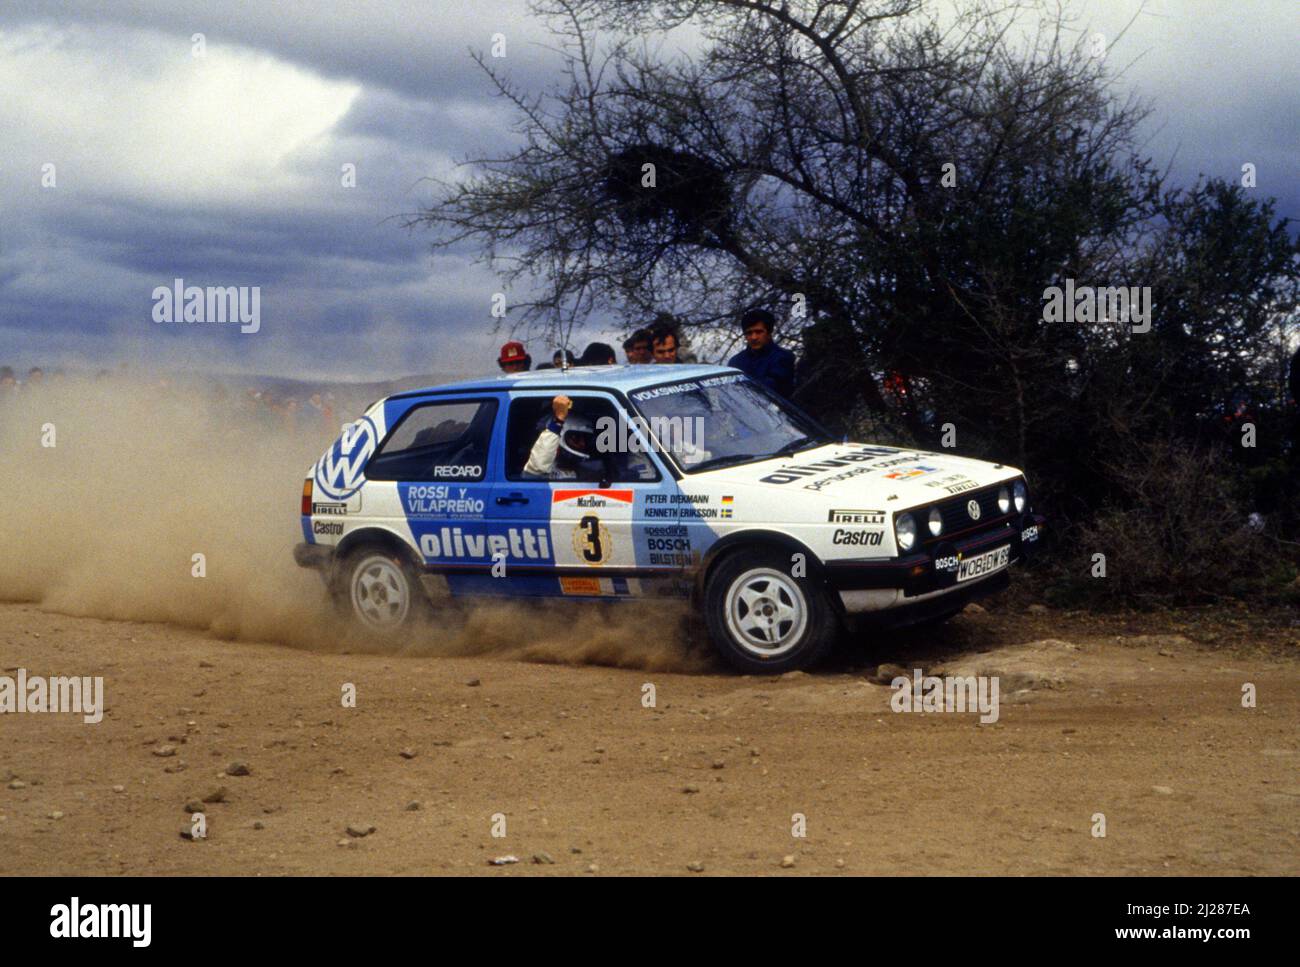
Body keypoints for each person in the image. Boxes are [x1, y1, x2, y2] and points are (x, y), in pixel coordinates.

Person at [727, 307, 797, 398]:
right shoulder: (735, 362)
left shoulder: (783, 358)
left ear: (769, 332)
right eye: (749, 333)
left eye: (759, 332)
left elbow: (770, 390)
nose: (754, 337)